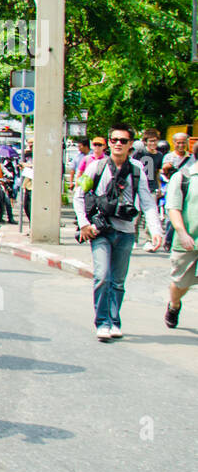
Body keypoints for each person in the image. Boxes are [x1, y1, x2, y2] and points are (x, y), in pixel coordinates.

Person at [73, 124, 164, 341]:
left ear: (131, 144)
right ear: (109, 143)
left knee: (118, 281)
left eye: (123, 141)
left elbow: (147, 201)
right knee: (102, 276)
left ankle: (114, 321)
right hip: (100, 230)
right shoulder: (96, 167)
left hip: (126, 231)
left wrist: (155, 230)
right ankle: (102, 322)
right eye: (114, 140)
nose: (118, 144)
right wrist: (84, 224)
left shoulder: (137, 169)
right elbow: (79, 195)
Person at [163, 148, 198, 329]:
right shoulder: (183, 177)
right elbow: (173, 208)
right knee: (180, 283)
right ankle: (174, 304)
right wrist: (182, 233)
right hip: (189, 241)